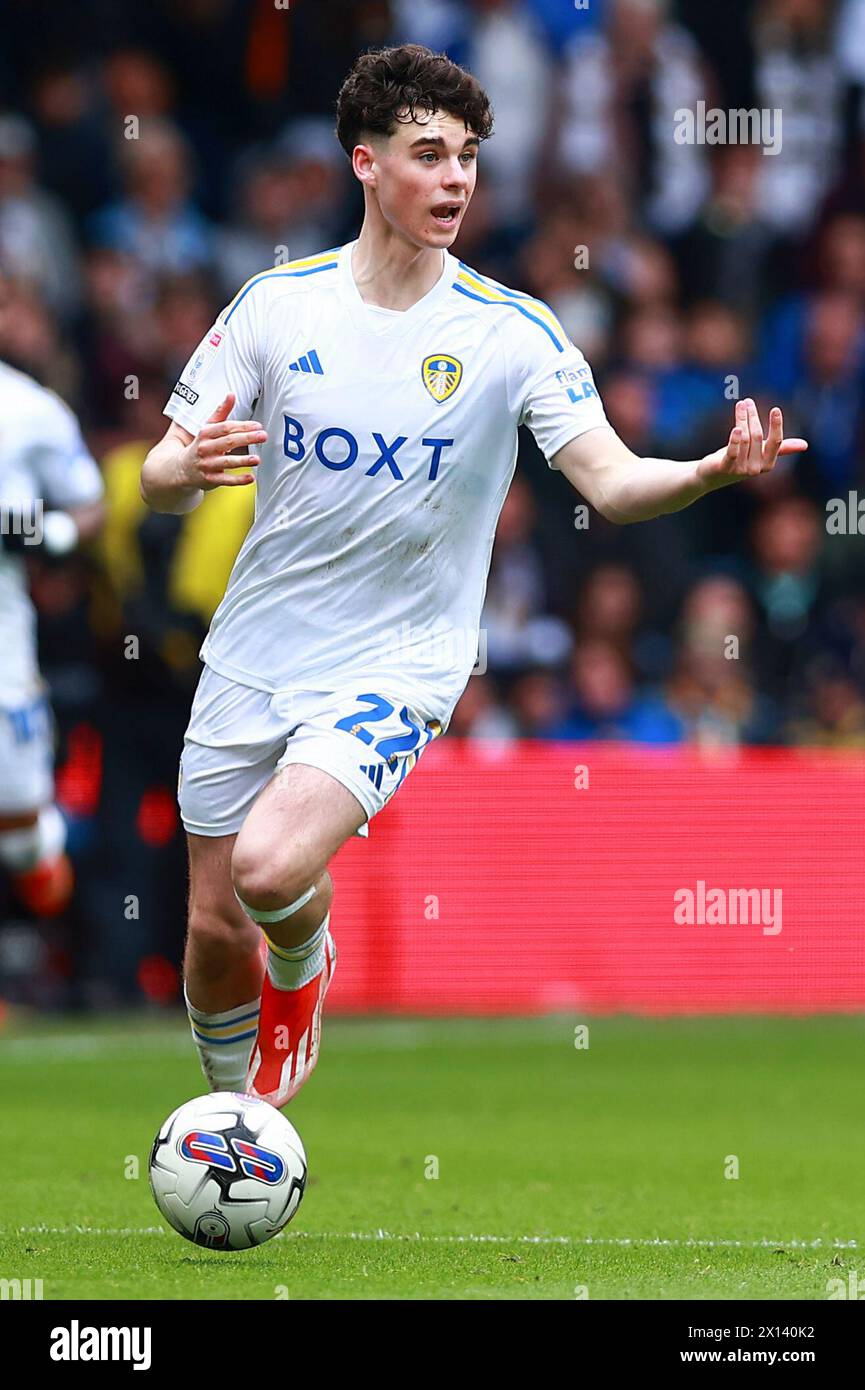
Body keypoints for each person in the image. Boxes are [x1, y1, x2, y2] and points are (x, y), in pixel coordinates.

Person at [139, 43, 807, 1110]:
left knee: (270, 873)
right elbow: (163, 474)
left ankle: (303, 973)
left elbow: (614, 481)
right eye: (428, 154)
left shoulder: (510, 334)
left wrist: (710, 469)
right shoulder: (277, 307)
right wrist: (181, 466)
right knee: (215, 924)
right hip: (256, 649)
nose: (455, 179)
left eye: (467, 159)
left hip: (399, 661)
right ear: (364, 163)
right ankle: (231, 1126)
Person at [0, 352, 105, 915]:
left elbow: (90, 505)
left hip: (4, 654)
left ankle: (47, 956)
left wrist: (43, 529)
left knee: (21, 829)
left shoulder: (25, 407)